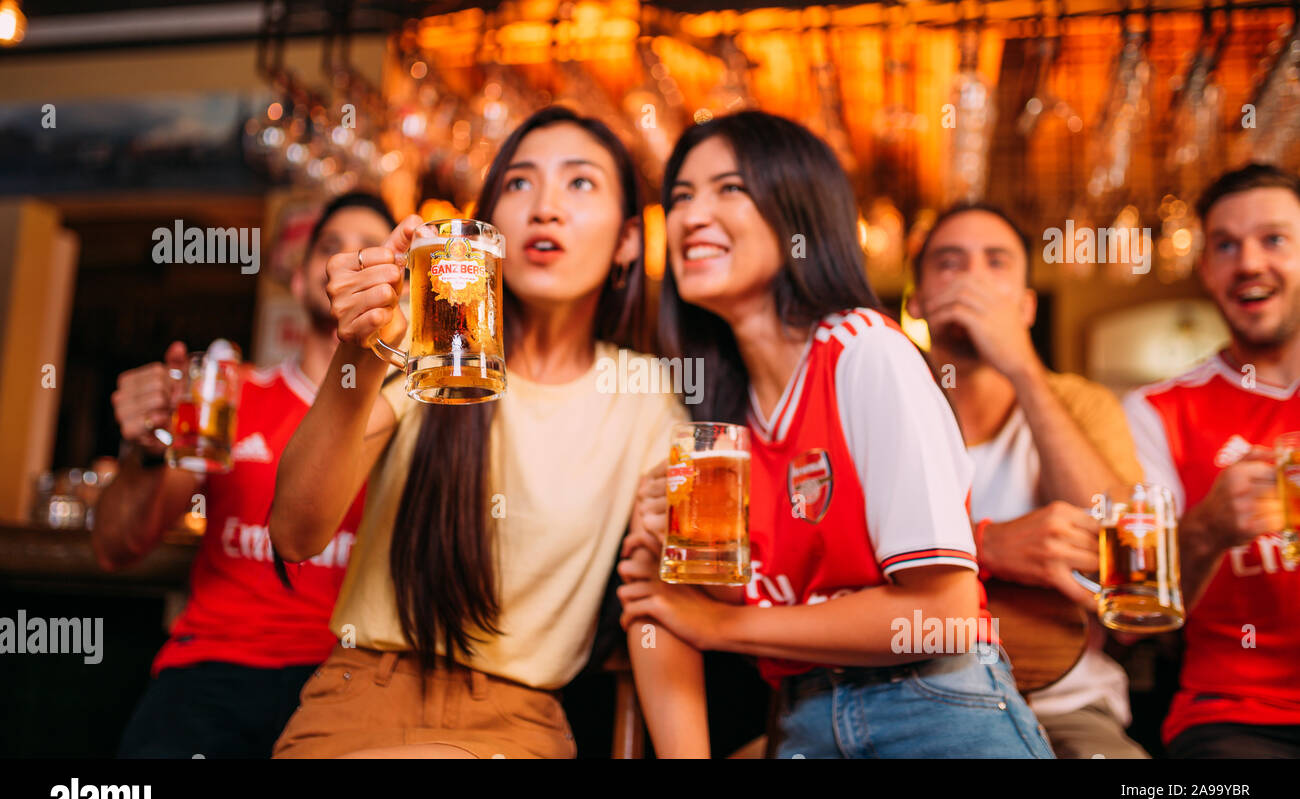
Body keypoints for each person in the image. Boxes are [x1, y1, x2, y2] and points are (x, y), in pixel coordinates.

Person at [617, 111, 1053, 758]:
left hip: (933, 706)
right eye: (680, 196)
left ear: (799, 212)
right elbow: (656, 602)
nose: (691, 216)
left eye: (729, 188)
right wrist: (668, 551)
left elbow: (944, 616)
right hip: (801, 719)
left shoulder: (864, 351)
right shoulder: (715, 417)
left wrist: (723, 624)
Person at [267, 106, 685, 759]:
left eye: (579, 183)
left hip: (516, 726)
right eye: (519, 184)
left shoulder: (643, 395)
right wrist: (360, 351)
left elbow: (667, 595)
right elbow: (294, 533)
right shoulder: (443, 350)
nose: (545, 207)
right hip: (355, 703)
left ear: (629, 239)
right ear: (489, 229)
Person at [92, 191, 397, 757]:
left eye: (370, 252)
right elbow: (116, 548)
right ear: (303, 281)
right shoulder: (230, 397)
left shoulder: (409, 412)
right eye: (332, 250)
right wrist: (147, 449)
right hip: (212, 669)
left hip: (345, 677)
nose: (352, 263)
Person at [906, 203, 1149, 759]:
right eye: (950, 262)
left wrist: (1022, 368)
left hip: (1064, 704)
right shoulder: (884, 407)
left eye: (995, 263)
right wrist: (984, 544)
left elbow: (1127, 561)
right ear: (916, 302)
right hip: (910, 696)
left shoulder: (1082, 403)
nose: (971, 278)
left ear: (1027, 306)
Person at [1124, 163, 1300, 758]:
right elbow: (1136, 620)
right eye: (1226, 245)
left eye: (1274, 239)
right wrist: (1206, 529)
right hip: (1234, 715)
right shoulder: (1159, 410)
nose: (1248, 262)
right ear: (1206, 271)